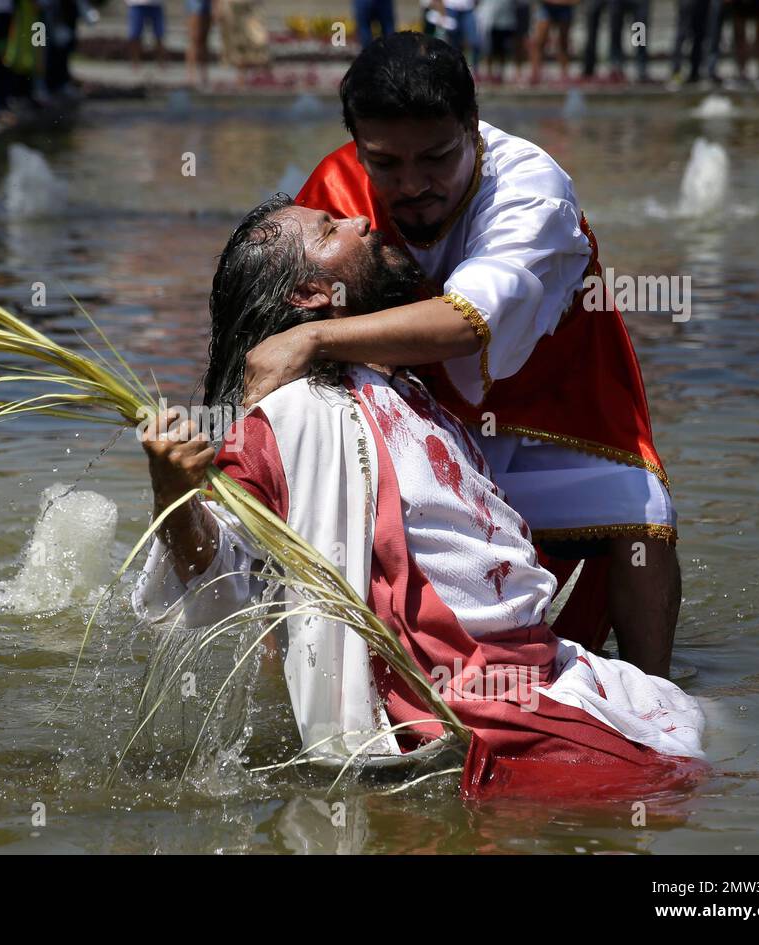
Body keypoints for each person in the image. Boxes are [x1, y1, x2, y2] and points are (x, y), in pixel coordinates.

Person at [132, 194, 706, 795]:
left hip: (546, 669)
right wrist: (173, 492)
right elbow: (217, 581)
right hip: (469, 711)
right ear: (310, 296)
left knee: (696, 724)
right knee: (681, 795)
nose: (360, 220)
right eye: (331, 229)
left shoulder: (399, 381)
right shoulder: (288, 417)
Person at [241, 34, 681, 679]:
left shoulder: (530, 186)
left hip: (554, 389)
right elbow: (274, 325)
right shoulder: (334, 188)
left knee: (643, 519)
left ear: (472, 129)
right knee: (322, 523)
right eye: (385, 164)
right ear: (358, 143)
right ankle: (326, 683)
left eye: (438, 157)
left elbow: (466, 322)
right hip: (410, 399)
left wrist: (314, 338)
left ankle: (658, 694)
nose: (412, 185)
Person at [528, 0, 576, 83]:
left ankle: (564, 74)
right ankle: (535, 73)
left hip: (564, 8)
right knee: (539, 41)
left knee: (563, 42)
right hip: (547, 8)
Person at [126, 0, 167, 69]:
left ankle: (161, 63)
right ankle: (135, 63)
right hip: (136, 3)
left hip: (156, 4)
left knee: (159, 35)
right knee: (134, 35)